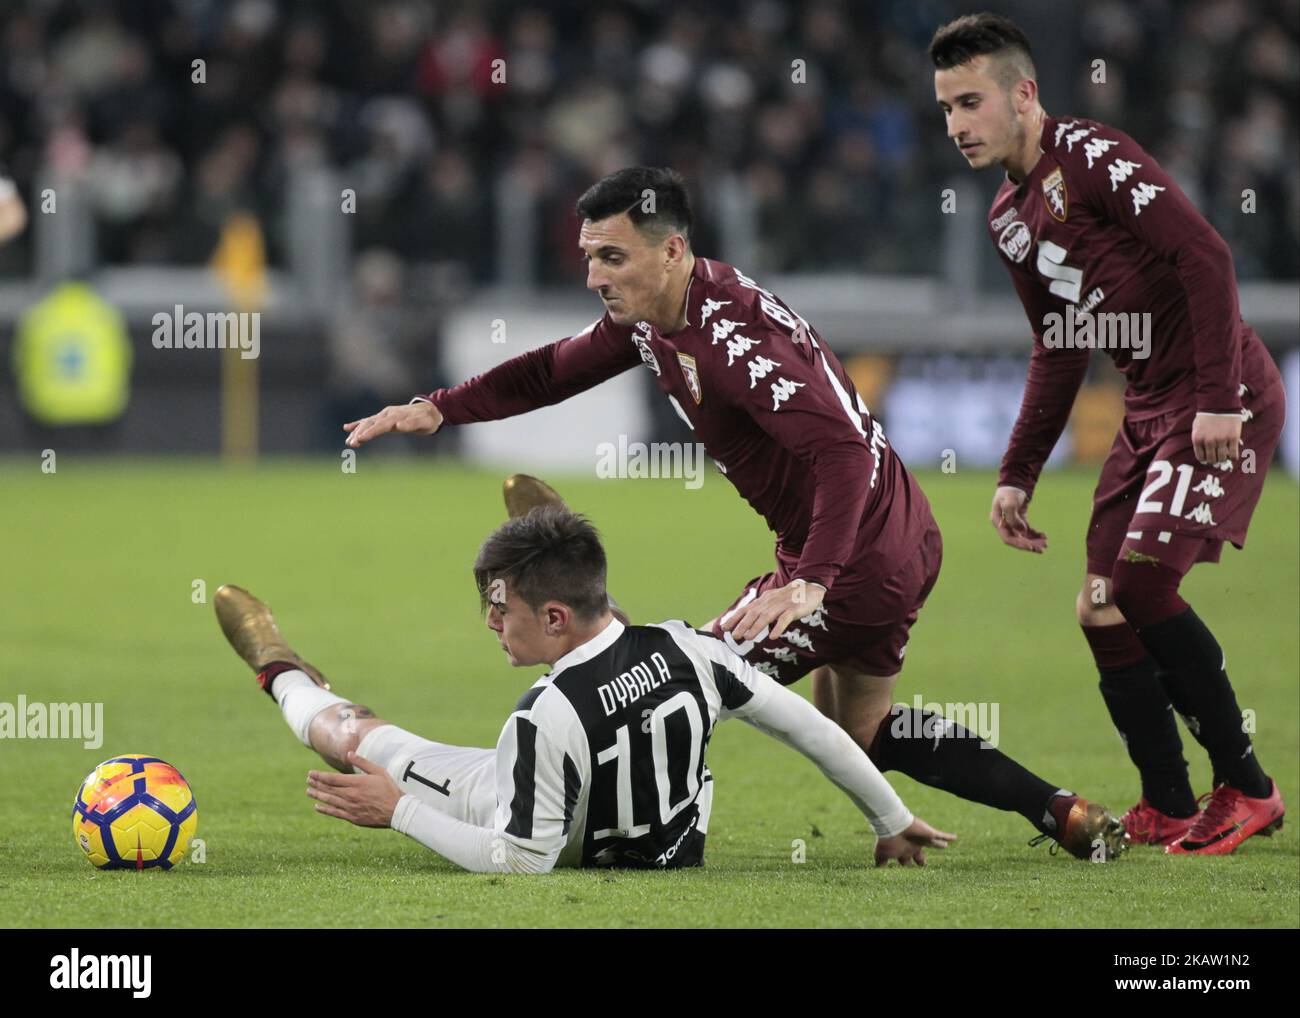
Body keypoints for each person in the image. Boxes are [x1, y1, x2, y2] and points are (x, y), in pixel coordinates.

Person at [341, 168, 1128, 860]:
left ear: (671, 250)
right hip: (896, 535)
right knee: (860, 732)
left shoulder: (732, 341)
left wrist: (813, 582)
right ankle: (1063, 812)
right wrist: (440, 410)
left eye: (611, 257)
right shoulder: (657, 316)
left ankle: (560, 825)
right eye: (588, 257)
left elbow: (842, 456)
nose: (594, 277)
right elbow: (553, 370)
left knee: (668, 681)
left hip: (851, 555)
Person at [930, 13, 1286, 855]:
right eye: (946, 108)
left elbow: (1206, 257)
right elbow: (1060, 343)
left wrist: (1215, 399)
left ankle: (1248, 786)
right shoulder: (1008, 218)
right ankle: (1167, 800)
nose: (956, 125)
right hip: (1148, 408)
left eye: (971, 102)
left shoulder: (1091, 155)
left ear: (1024, 94)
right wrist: (1018, 469)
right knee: (1100, 609)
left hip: (1216, 391)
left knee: (1143, 587)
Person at [213, 506, 956, 872]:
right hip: (673, 839)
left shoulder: (541, 718)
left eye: (502, 611)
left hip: (547, 816)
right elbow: (811, 729)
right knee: (630, 660)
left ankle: (278, 668)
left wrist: (398, 810)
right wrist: (890, 818)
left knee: (359, 737)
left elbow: (521, 862)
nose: (490, 626)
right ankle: (568, 562)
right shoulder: (692, 649)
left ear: (552, 615)